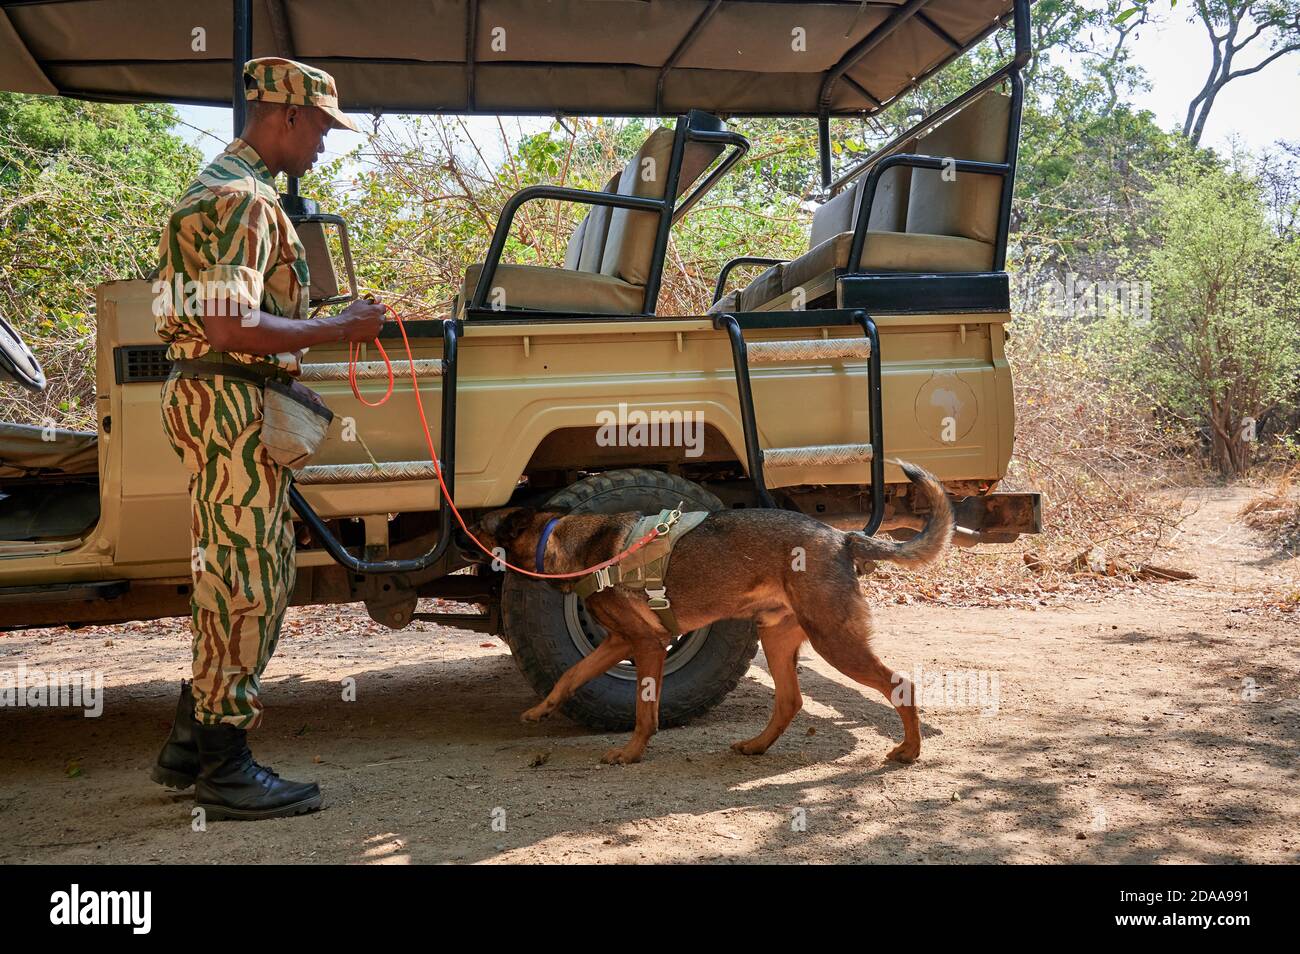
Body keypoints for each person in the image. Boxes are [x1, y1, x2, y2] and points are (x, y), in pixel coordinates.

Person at [149, 57, 384, 821]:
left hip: (224, 396)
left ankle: (191, 742)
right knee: (249, 580)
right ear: (284, 116)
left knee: (235, 569)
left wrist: (283, 367)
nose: (322, 144)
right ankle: (225, 766)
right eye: (319, 127)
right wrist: (337, 329)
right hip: (228, 408)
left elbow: (226, 331)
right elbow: (229, 325)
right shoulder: (241, 201)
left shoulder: (215, 189)